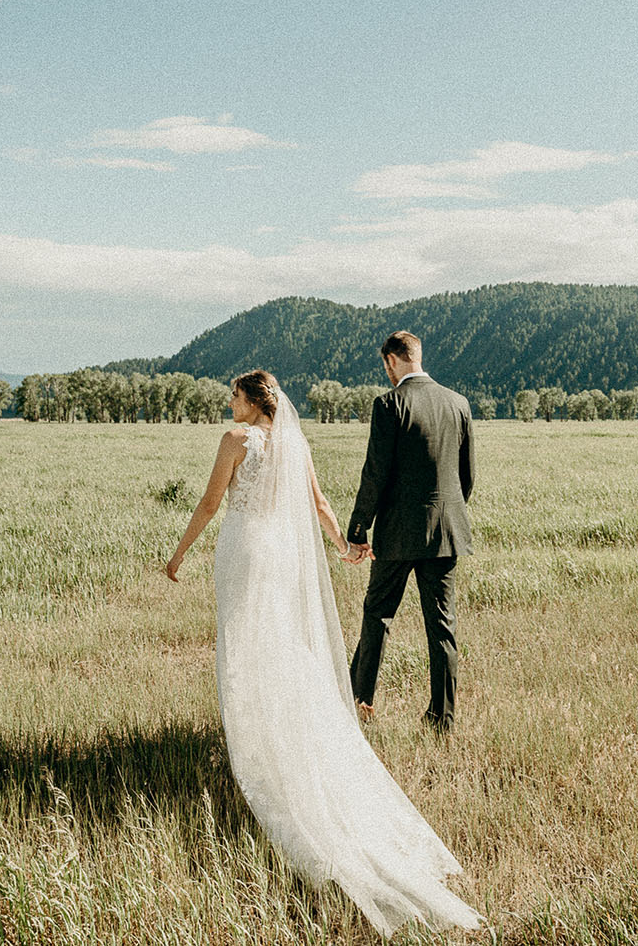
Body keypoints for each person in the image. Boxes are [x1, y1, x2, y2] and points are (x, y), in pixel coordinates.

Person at [162, 372, 481, 936]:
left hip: (245, 555)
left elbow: (211, 502)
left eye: (234, 397)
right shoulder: (294, 442)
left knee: (248, 649)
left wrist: (178, 553)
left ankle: (260, 741)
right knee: (282, 645)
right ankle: (287, 726)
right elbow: (318, 501)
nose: (229, 405)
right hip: (281, 558)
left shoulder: (236, 442)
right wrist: (343, 542)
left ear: (254, 401)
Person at [345, 331, 474, 733]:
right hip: (446, 532)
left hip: (398, 533)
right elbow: (466, 476)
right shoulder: (459, 403)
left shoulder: (389, 404)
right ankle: (442, 718)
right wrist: (446, 516)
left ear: (391, 361)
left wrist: (358, 528)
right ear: (417, 356)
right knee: (442, 626)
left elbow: (375, 474)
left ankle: (359, 700)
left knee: (377, 614)